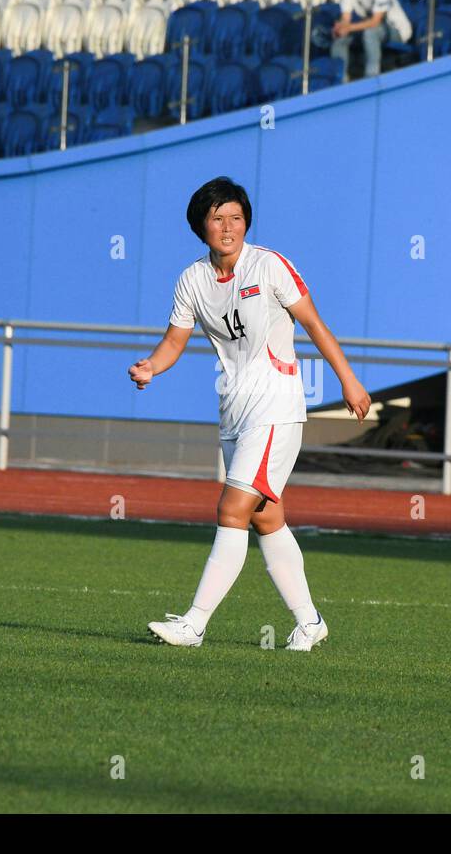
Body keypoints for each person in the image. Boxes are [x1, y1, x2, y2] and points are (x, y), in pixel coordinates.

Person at [129, 177, 372, 651]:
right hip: (234, 411)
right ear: (201, 225)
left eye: (236, 217)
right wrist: (151, 367)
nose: (228, 226)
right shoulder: (192, 279)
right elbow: (175, 340)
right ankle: (310, 622)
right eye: (218, 217)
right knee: (267, 519)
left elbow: (313, 323)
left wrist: (349, 379)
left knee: (231, 508)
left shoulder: (270, 264)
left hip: (276, 407)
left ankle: (194, 625)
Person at [330, 0, 413, 80]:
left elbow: (375, 21)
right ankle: (339, 79)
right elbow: (346, 18)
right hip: (368, 28)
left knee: (370, 33)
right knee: (340, 39)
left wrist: (348, 28)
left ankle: (371, 78)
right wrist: (340, 27)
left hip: (396, 30)